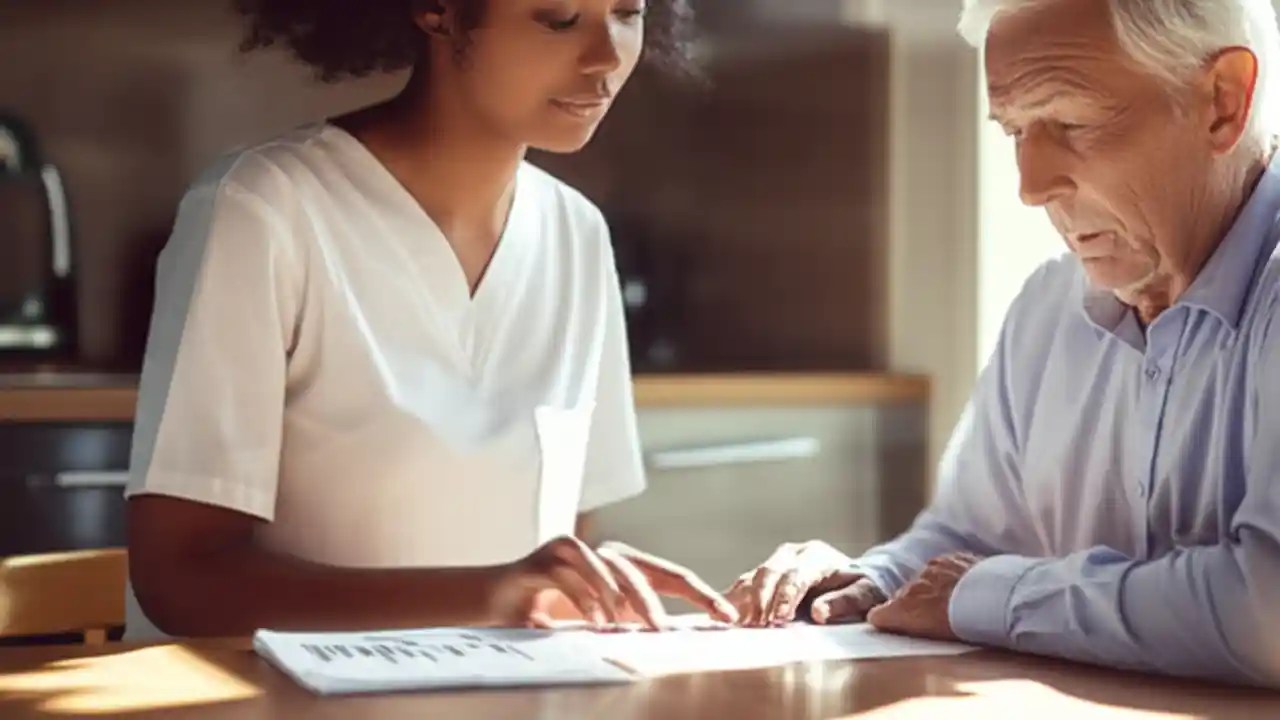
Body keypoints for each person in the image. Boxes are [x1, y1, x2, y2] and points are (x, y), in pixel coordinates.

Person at [124, 0, 736, 639]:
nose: (608, 56)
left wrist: (579, 590)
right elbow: (180, 580)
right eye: (558, 19)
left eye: (628, 14)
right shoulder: (263, 208)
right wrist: (492, 594)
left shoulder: (577, 232)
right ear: (438, 11)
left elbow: (567, 537)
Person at [727, 0, 1280, 687]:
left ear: (1223, 102)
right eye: (1015, 130)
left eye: (1071, 121)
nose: (1029, 186)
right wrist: (871, 580)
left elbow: (1270, 614)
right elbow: (968, 543)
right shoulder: (1048, 308)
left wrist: (995, 597)